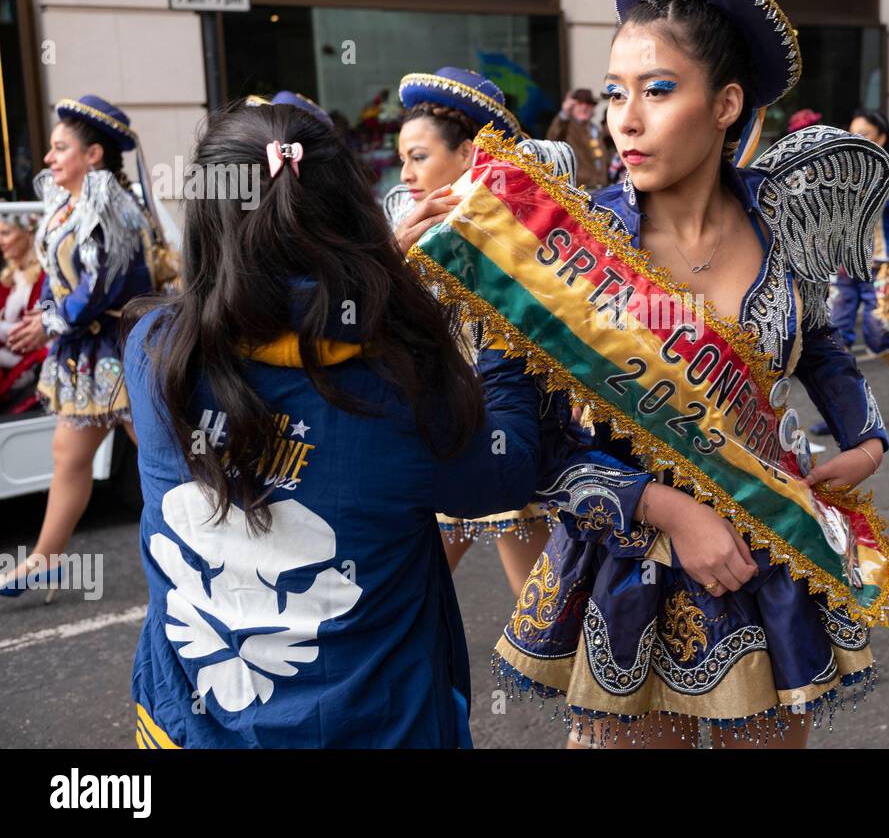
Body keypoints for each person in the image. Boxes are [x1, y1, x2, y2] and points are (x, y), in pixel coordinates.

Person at [475, 0, 889, 749]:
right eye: (614, 93)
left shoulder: (780, 228)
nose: (625, 120)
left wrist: (867, 439)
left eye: (659, 91)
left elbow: (823, 342)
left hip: (765, 560)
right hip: (626, 572)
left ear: (727, 103)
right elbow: (532, 448)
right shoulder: (570, 245)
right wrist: (668, 508)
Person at [122, 101, 554, 747]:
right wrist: (509, 326)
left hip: (186, 726)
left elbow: (273, 322)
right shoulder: (400, 388)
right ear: (354, 211)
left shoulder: (154, 349)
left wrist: (379, 276)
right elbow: (510, 466)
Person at [381, 67, 555, 596]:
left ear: (467, 155)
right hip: (436, 420)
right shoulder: (401, 224)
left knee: (536, 602)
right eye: (403, 158)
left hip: (501, 420)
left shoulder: (512, 223)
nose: (406, 172)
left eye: (420, 156)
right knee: (408, 587)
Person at [2, 96, 159, 597]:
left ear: (93, 155)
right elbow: (57, 278)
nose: (48, 159)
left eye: (59, 148)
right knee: (69, 455)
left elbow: (97, 290)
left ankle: (220, 538)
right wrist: (45, 315)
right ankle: (46, 560)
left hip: (122, 347)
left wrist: (48, 322)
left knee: (164, 453)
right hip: (85, 353)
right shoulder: (67, 206)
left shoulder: (113, 209)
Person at [822, 109, 889, 420]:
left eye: (865, 134)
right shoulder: (838, 175)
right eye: (852, 133)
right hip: (843, 270)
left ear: (881, 138)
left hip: (885, 268)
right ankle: (842, 413)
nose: (857, 140)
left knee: (879, 335)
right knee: (834, 342)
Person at [0, 211, 46, 412]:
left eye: (6, 233)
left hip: (30, 367)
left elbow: (36, 332)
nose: (1, 241)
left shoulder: (44, 278)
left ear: (28, 233)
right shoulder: (8, 277)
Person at [546, 87, 609, 191]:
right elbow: (553, 137)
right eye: (579, 103)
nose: (584, 107)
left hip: (600, 187)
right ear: (572, 107)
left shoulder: (596, 129)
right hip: (578, 189)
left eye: (588, 104)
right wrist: (564, 113)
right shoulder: (566, 127)